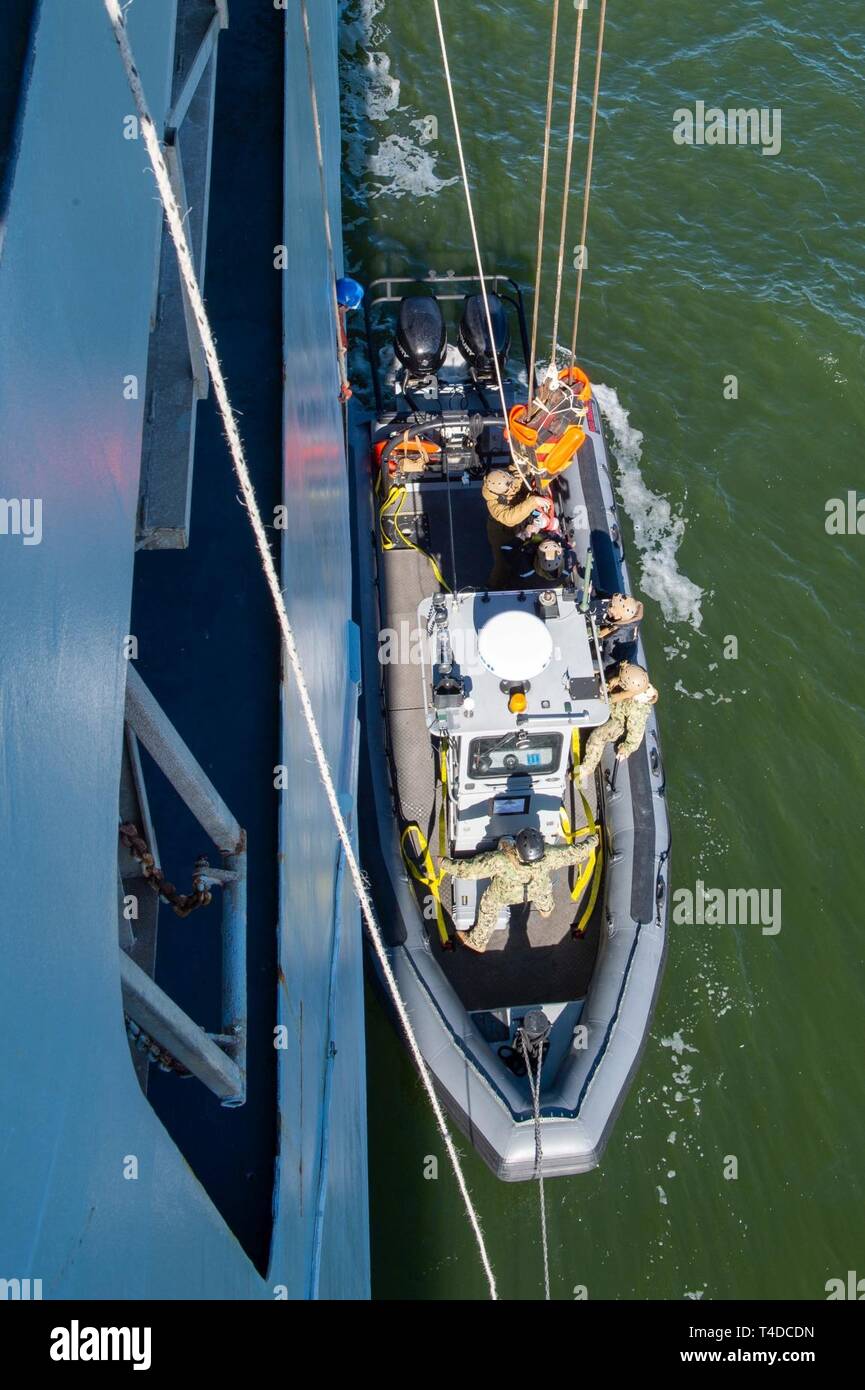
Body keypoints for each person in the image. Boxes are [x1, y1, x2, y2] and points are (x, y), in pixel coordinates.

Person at [439, 826, 598, 953]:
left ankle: (478, 942)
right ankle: (545, 909)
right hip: (537, 889)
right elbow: (576, 853)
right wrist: (594, 839)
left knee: (489, 905)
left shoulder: (500, 860)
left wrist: (443, 863)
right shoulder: (550, 855)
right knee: (545, 894)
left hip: (503, 894)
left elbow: (469, 870)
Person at [580, 661, 658, 782]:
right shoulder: (631, 676)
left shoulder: (637, 710)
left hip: (619, 721)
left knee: (597, 736)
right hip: (614, 706)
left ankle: (587, 767)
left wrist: (626, 748)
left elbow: (636, 735)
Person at [482, 465, 548, 589]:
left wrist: (526, 466)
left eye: (512, 483)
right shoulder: (493, 504)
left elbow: (517, 467)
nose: (513, 488)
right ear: (500, 494)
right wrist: (533, 502)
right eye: (509, 488)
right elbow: (510, 519)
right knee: (502, 563)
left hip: (520, 519)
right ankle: (493, 586)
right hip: (501, 531)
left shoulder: (505, 476)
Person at [594, 591, 644, 662]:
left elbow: (608, 661)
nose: (609, 608)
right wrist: (594, 591)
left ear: (618, 617)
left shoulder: (617, 640)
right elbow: (611, 600)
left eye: (611, 607)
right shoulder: (622, 605)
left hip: (614, 657)